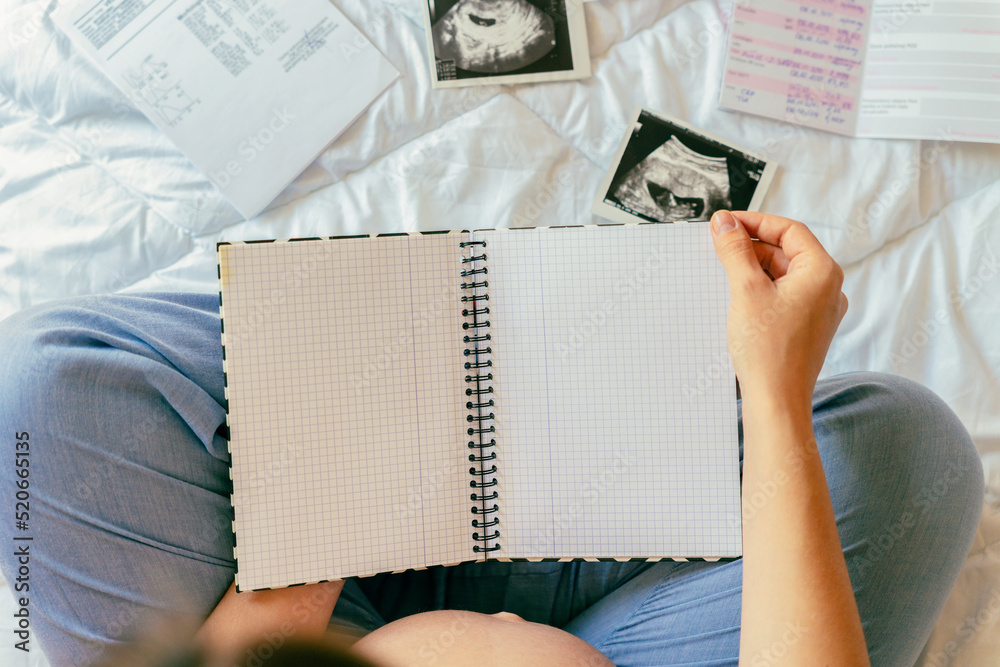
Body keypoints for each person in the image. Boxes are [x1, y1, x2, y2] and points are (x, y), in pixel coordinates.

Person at [0, 211, 983, 666]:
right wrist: (773, 398)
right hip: (626, 627)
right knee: (908, 457)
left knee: (48, 388)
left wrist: (334, 504)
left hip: (301, 619)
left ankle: (386, 387)